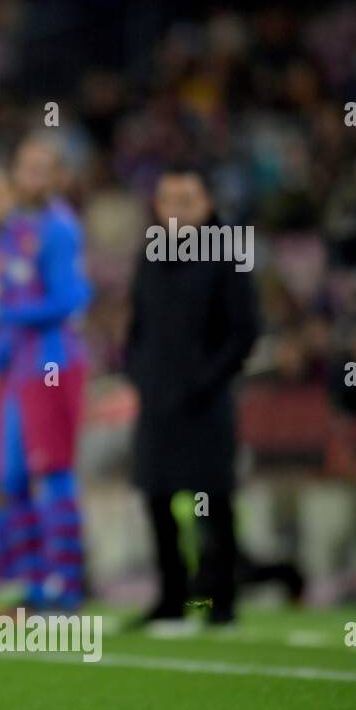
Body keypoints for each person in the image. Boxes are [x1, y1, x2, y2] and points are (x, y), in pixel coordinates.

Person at [126, 165, 259, 625]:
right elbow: (138, 323)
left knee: (213, 500)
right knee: (157, 499)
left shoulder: (230, 249)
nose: (176, 211)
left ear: (206, 204)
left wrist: (205, 380)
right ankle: (171, 597)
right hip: (156, 399)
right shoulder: (151, 251)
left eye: (187, 200)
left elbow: (245, 331)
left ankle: (220, 600)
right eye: (168, 201)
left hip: (207, 401)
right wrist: (138, 373)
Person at [0, 140, 92, 611]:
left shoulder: (60, 228)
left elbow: (71, 298)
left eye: (44, 169)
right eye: (26, 168)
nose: (33, 177)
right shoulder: (19, 229)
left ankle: (67, 583)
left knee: (54, 471)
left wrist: (1, 313)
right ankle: (31, 579)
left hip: (55, 363)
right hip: (21, 367)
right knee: (15, 476)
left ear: (58, 176)